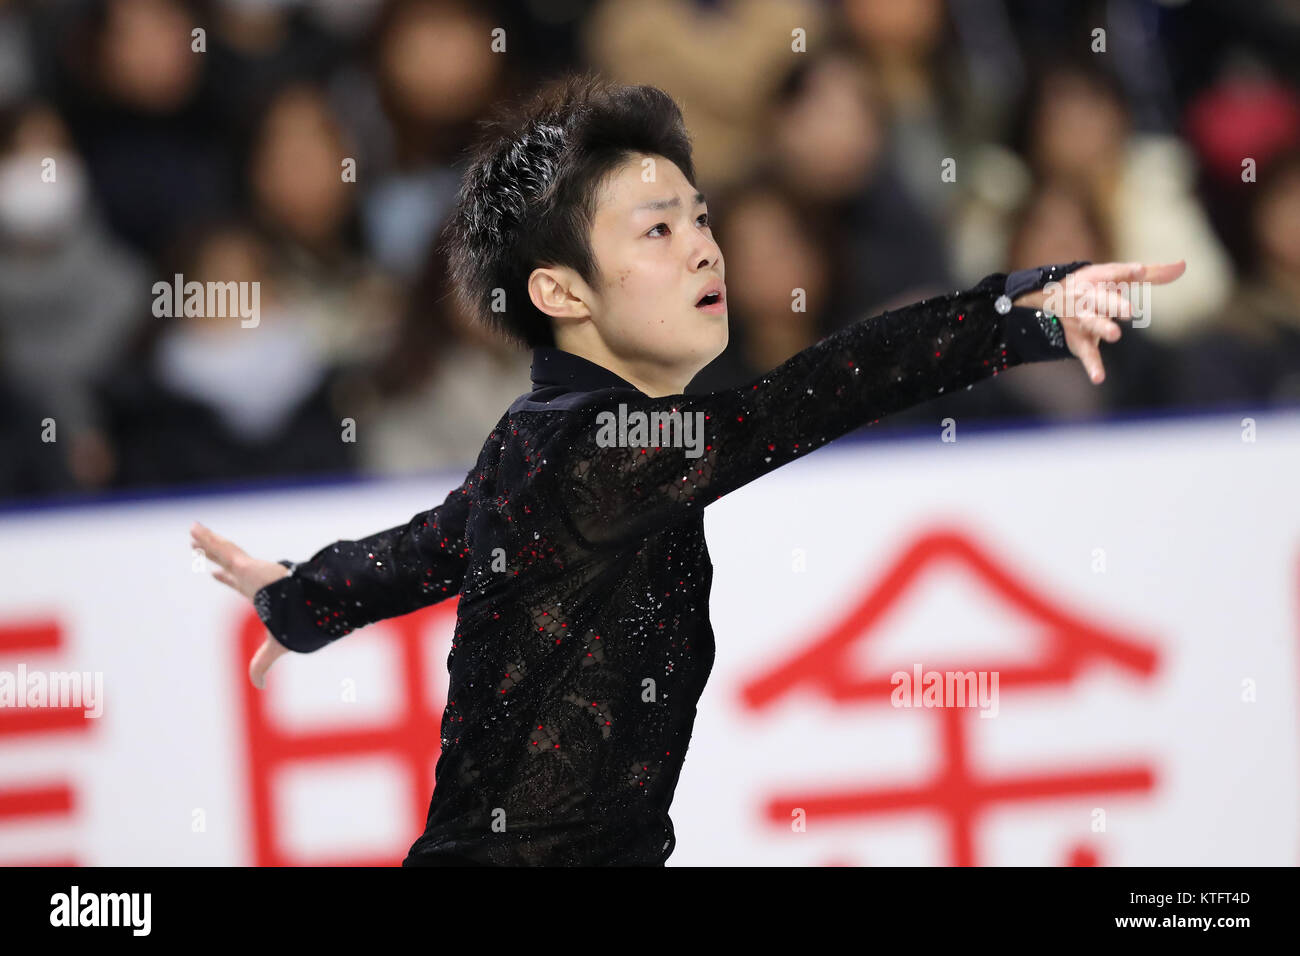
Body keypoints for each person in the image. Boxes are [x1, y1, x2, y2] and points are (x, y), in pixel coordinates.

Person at [189, 73, 1184, 866]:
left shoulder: (542, 438)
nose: (706, 250)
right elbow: (819, 390)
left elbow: (441, 543)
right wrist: (1016, 315)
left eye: (699, 218)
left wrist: (303, 596)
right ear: (559, 290)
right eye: (658, 230)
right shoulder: (604, 450)